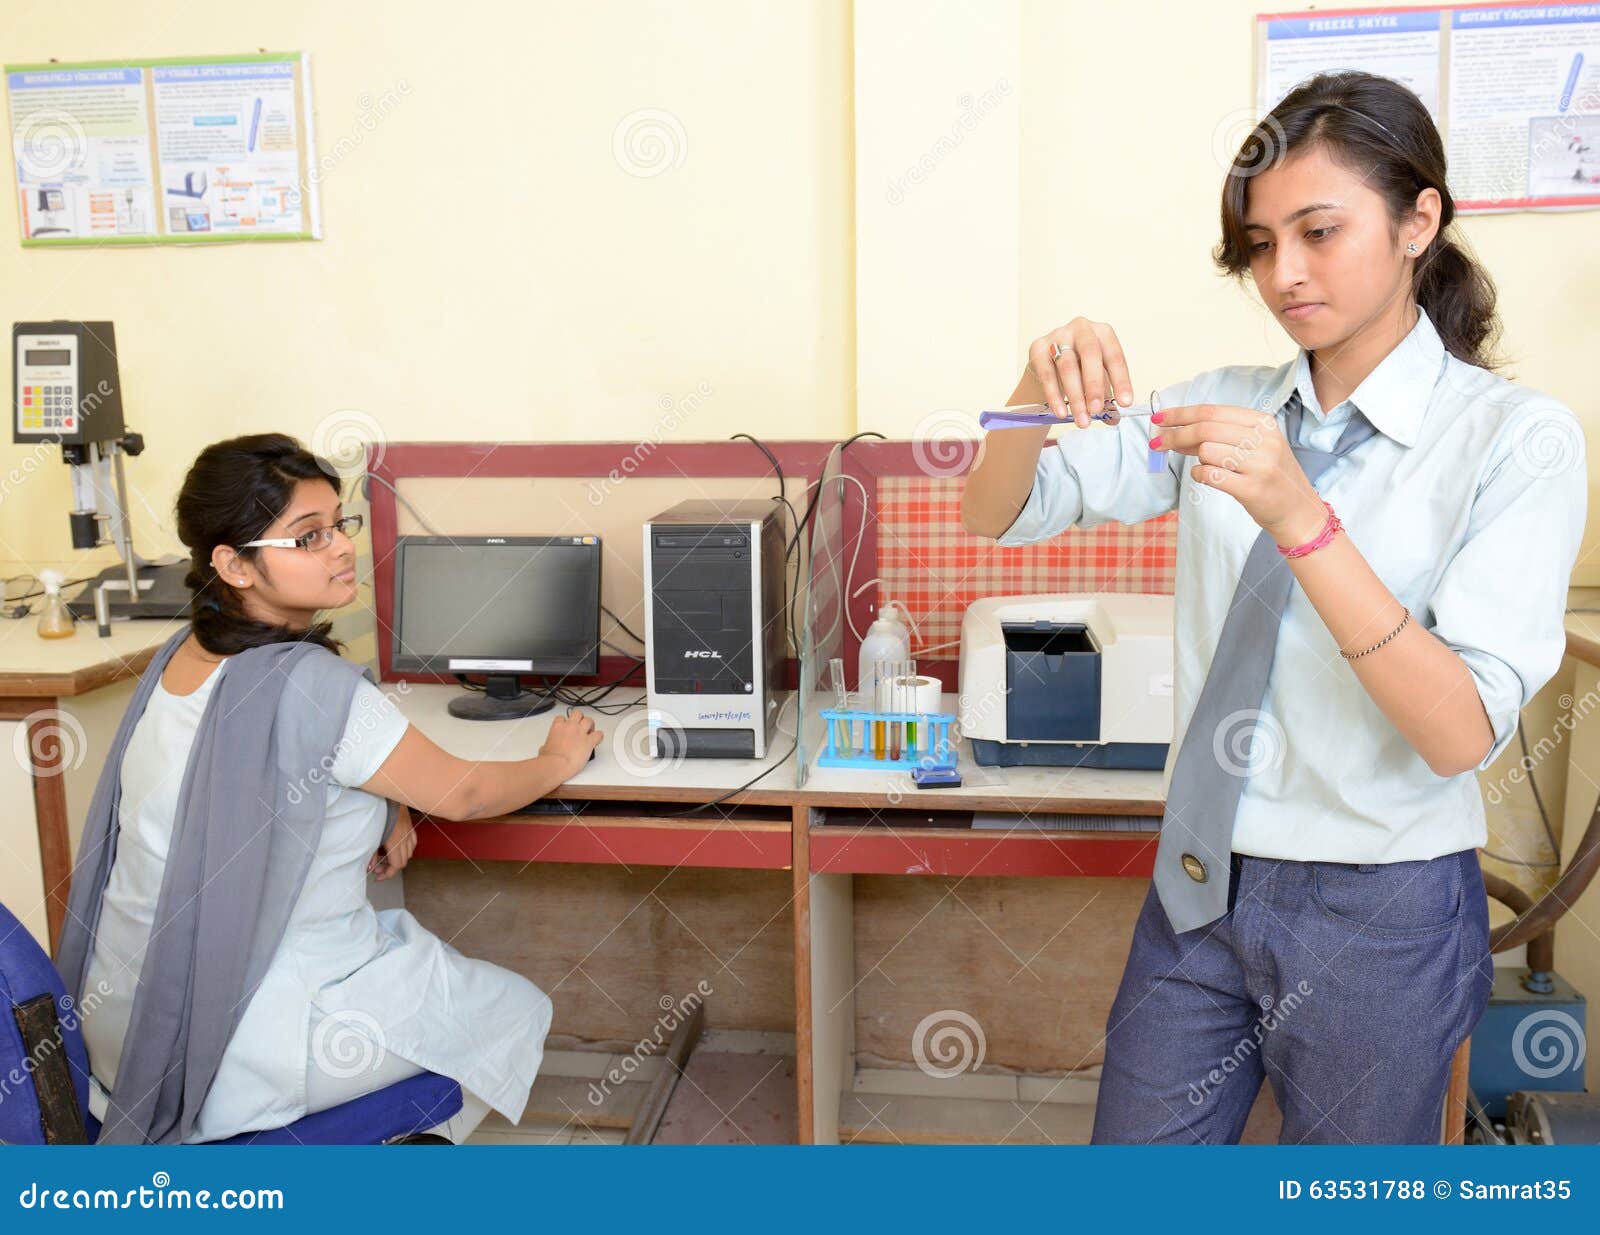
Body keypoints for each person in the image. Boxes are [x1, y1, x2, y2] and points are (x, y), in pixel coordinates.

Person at [960, 71, 1586, 1143]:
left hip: (1376, 909)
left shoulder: (1516, 440)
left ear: (1417, 219)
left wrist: (1302, 515)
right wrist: (1024, 392)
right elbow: (1000, 508)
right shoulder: (1221, 404)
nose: (1284, 274)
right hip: (1197, 886)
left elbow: (1455, 729)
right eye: (1258, 245)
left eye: (1318, 231)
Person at [62, 432, 603, 1144]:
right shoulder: (312, 687)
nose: (342, 547)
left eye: (338, 524)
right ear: (234, 564)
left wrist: (389, 802)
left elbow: (253, 776)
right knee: (512, 1007)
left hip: (126, 1028)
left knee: (394, 941)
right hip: (245, 1046)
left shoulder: (179, 657)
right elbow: (467, 793)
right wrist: (555, 759)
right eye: (307, 537)